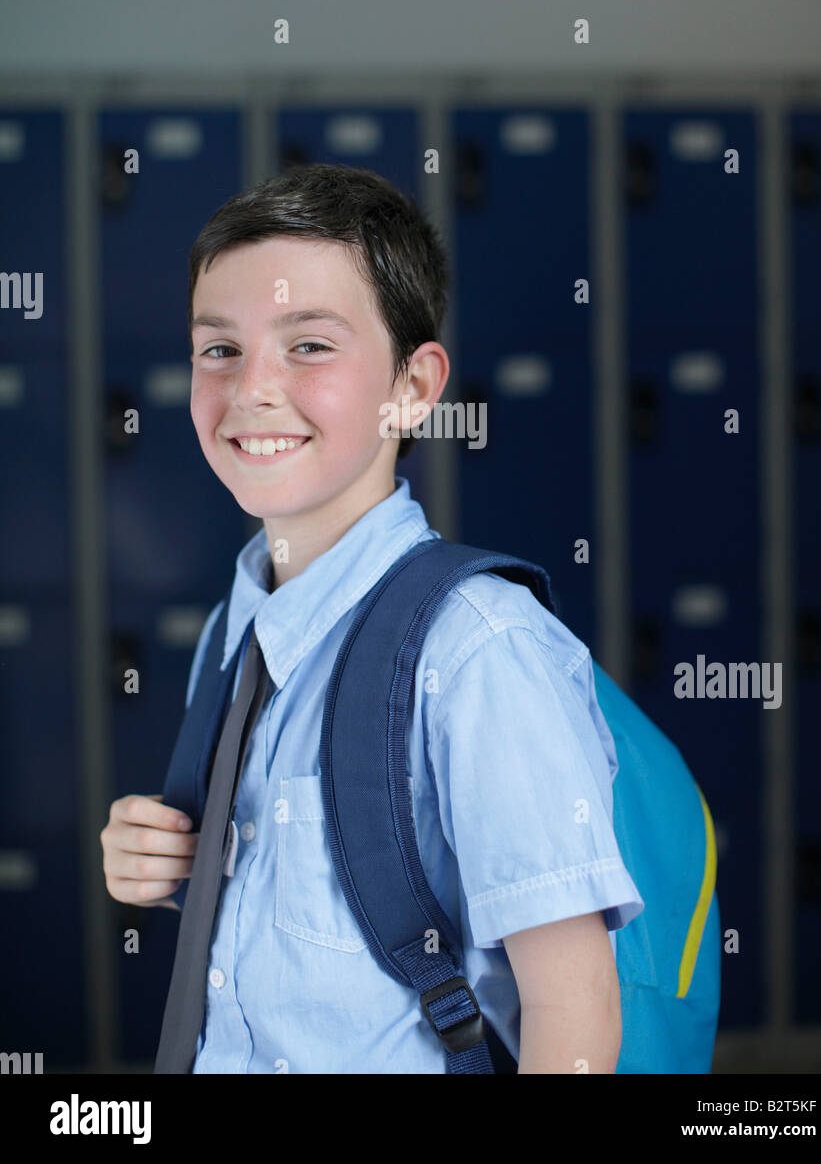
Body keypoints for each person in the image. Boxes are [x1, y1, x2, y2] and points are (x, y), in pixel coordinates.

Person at [100, 162, 644, 1074]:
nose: (251, 391)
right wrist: (161, 868)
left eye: (310, 346)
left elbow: (573, 1005)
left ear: (415, 386)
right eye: (218, 349)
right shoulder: (235, 636)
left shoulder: (478, 648)